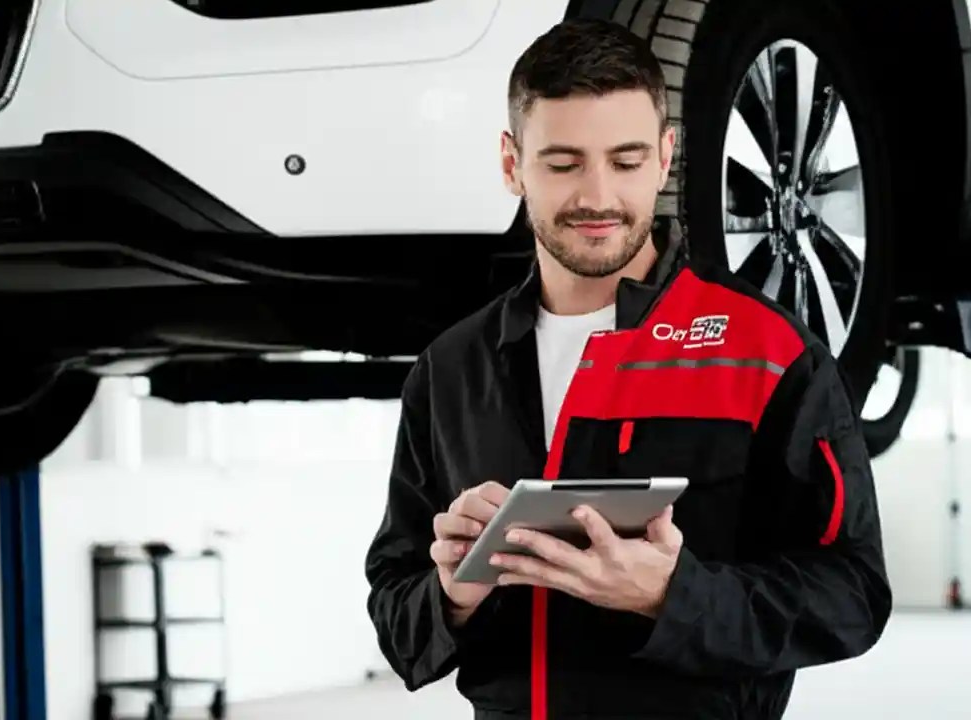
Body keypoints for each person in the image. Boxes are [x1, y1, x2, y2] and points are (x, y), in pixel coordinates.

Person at [364, 17, 891, 720]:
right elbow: (397, 620)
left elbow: (853, 595)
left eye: (626, 159)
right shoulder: (450, 371)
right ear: (511, 163)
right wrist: (452, 592)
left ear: (667, 156)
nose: (597, 198)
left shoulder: (765, 355)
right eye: (562, 163)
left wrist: (673, 595)